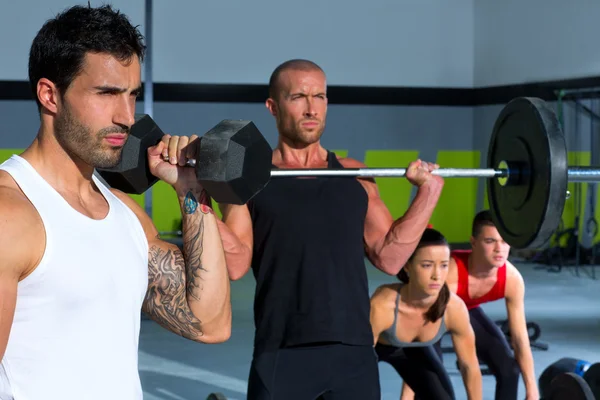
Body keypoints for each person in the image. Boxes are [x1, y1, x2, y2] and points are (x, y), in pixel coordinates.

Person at [0, 5, 231, 400]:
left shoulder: (124, 213)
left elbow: (210, 323)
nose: (127, 117)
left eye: (132, 96)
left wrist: (190, 191)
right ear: (49, 94)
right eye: (107, 93)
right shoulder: (11, 214)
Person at [213, 58, 445, 399]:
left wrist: (429, 192)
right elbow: (235, 265)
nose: (311, 108)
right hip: (281, 349)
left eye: (319, 97)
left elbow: (390, 257)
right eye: (298, 97)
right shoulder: (249, 178)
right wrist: (194, 197)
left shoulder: (354, 174)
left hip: (353, 350)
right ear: (273, 107)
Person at [370, 228, 482, 400]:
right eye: (427, 265)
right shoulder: (383, 305)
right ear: (407, 265)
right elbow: (356, 367)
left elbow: (469, 366)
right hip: (373, 350)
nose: (437, 275)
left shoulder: (454, 308)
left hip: (415, 352)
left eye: (444, 265)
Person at [438, 210, 538, 400]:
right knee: (433, 377)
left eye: (504, 241)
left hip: (468, 310)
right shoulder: (449, 274)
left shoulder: (512, 279)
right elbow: (422, 328)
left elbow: (519, 336)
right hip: (435, 315)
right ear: (473, 242)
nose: (499, 249)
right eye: (490, 241)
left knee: (509, 370)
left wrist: (532, 391)